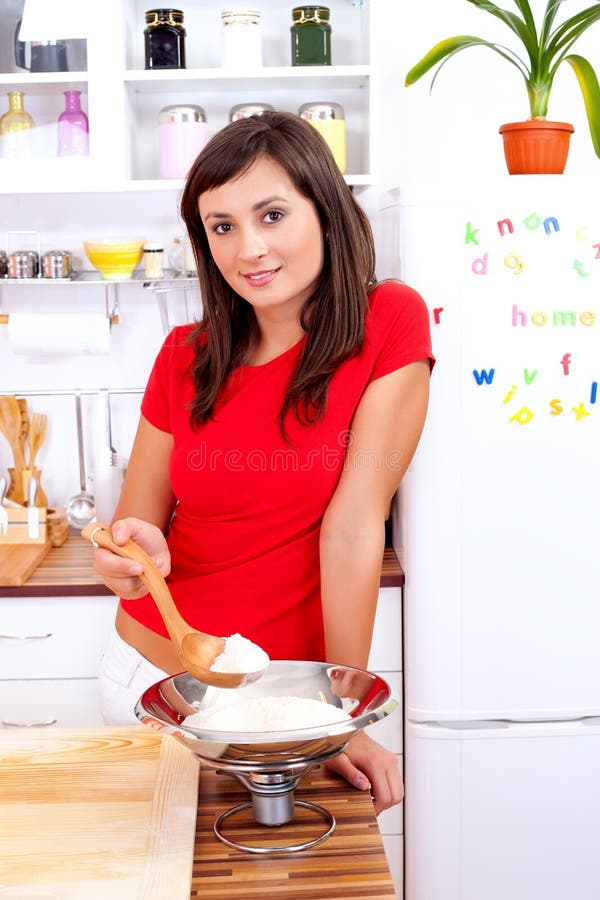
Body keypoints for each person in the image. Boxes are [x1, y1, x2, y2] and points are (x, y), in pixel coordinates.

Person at [91, 110, 434, 815]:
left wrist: (344, 714)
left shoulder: (389, 323)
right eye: (222, 226)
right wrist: (125, 558)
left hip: (289, 703)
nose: (249, 247)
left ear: (327, 212)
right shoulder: (185, 355)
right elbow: (135, 527)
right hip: (156, 682)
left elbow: (352, 527)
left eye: (272, 214)